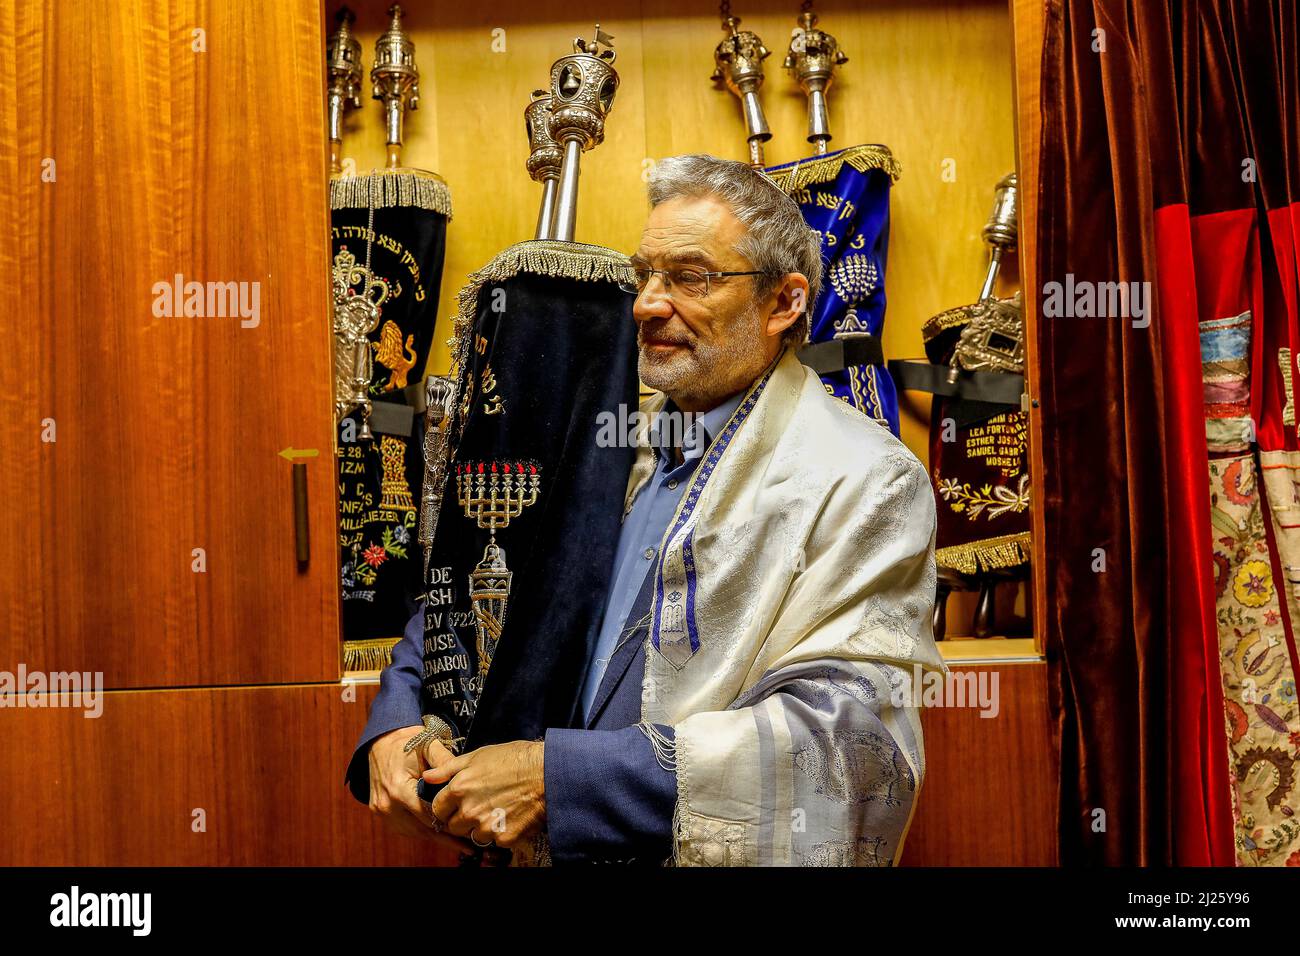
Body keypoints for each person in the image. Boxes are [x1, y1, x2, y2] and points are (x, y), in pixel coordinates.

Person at [346, 153, 945, 866]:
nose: (647, 304)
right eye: (645, 275)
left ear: (784, 303)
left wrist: (558, 780)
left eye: (690, 277)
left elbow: (847, 747)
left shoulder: (864, 479)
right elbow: (474, 573)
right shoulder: (606, 435)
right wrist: (394, 720)